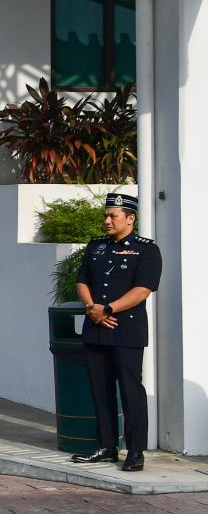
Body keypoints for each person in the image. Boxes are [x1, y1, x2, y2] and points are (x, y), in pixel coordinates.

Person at [71, 192, 162, 472]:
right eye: (106, 215)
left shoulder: (146, 249)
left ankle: (135, 451)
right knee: (101, 389)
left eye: (113, 216)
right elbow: (82, 280)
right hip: (96, 328)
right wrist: (92, 308)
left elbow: (143, 289)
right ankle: (106, 446)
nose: (107, 220)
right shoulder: (97, 246)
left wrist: (108, 309)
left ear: (130, 219)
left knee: (131, 390)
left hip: (127, 330)